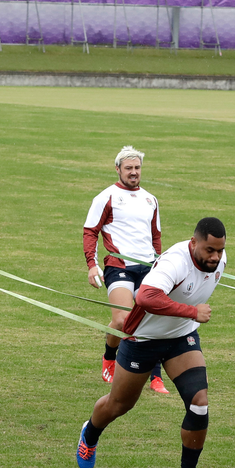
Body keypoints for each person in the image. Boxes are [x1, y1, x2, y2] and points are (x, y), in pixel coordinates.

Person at [76, 217, 227, 468]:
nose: (215, 257)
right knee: (119, 404)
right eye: (209, 250)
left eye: (219, 250)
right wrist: (193, 312)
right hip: (143, 339)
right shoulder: (175, 262)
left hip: (181, 338)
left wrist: (187, 320)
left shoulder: (219, 259)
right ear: (194, 243)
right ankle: (90, 434)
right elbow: (145, 297)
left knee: (199, 402)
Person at [83, 145, 168, 395]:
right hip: (118, 265)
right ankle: (110, 357)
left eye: (137, 168)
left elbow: (156, 236)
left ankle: (155, 377)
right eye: (129, 168)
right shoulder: (106, 197)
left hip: (147, 268)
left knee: (152, 320)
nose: (133, 172)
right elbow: (90, 231)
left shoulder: (150, 199)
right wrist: (92, 264)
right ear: (118, 169)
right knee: (122, 320)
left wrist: (160, 264)